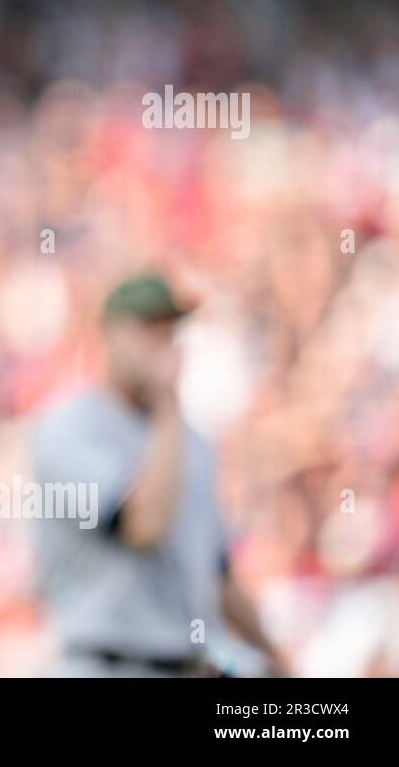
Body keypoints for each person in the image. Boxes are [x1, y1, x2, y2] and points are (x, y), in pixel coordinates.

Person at [29, 272, 285, 677]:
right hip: (106, 662)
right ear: (109, 335)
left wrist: (277, 659)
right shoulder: (69, 427)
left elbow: (217, 573)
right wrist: (168, 402)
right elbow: (145, 525)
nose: (162, 344)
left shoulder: (192, 441)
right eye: (147, 329)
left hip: (191, 665)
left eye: (169, 331)